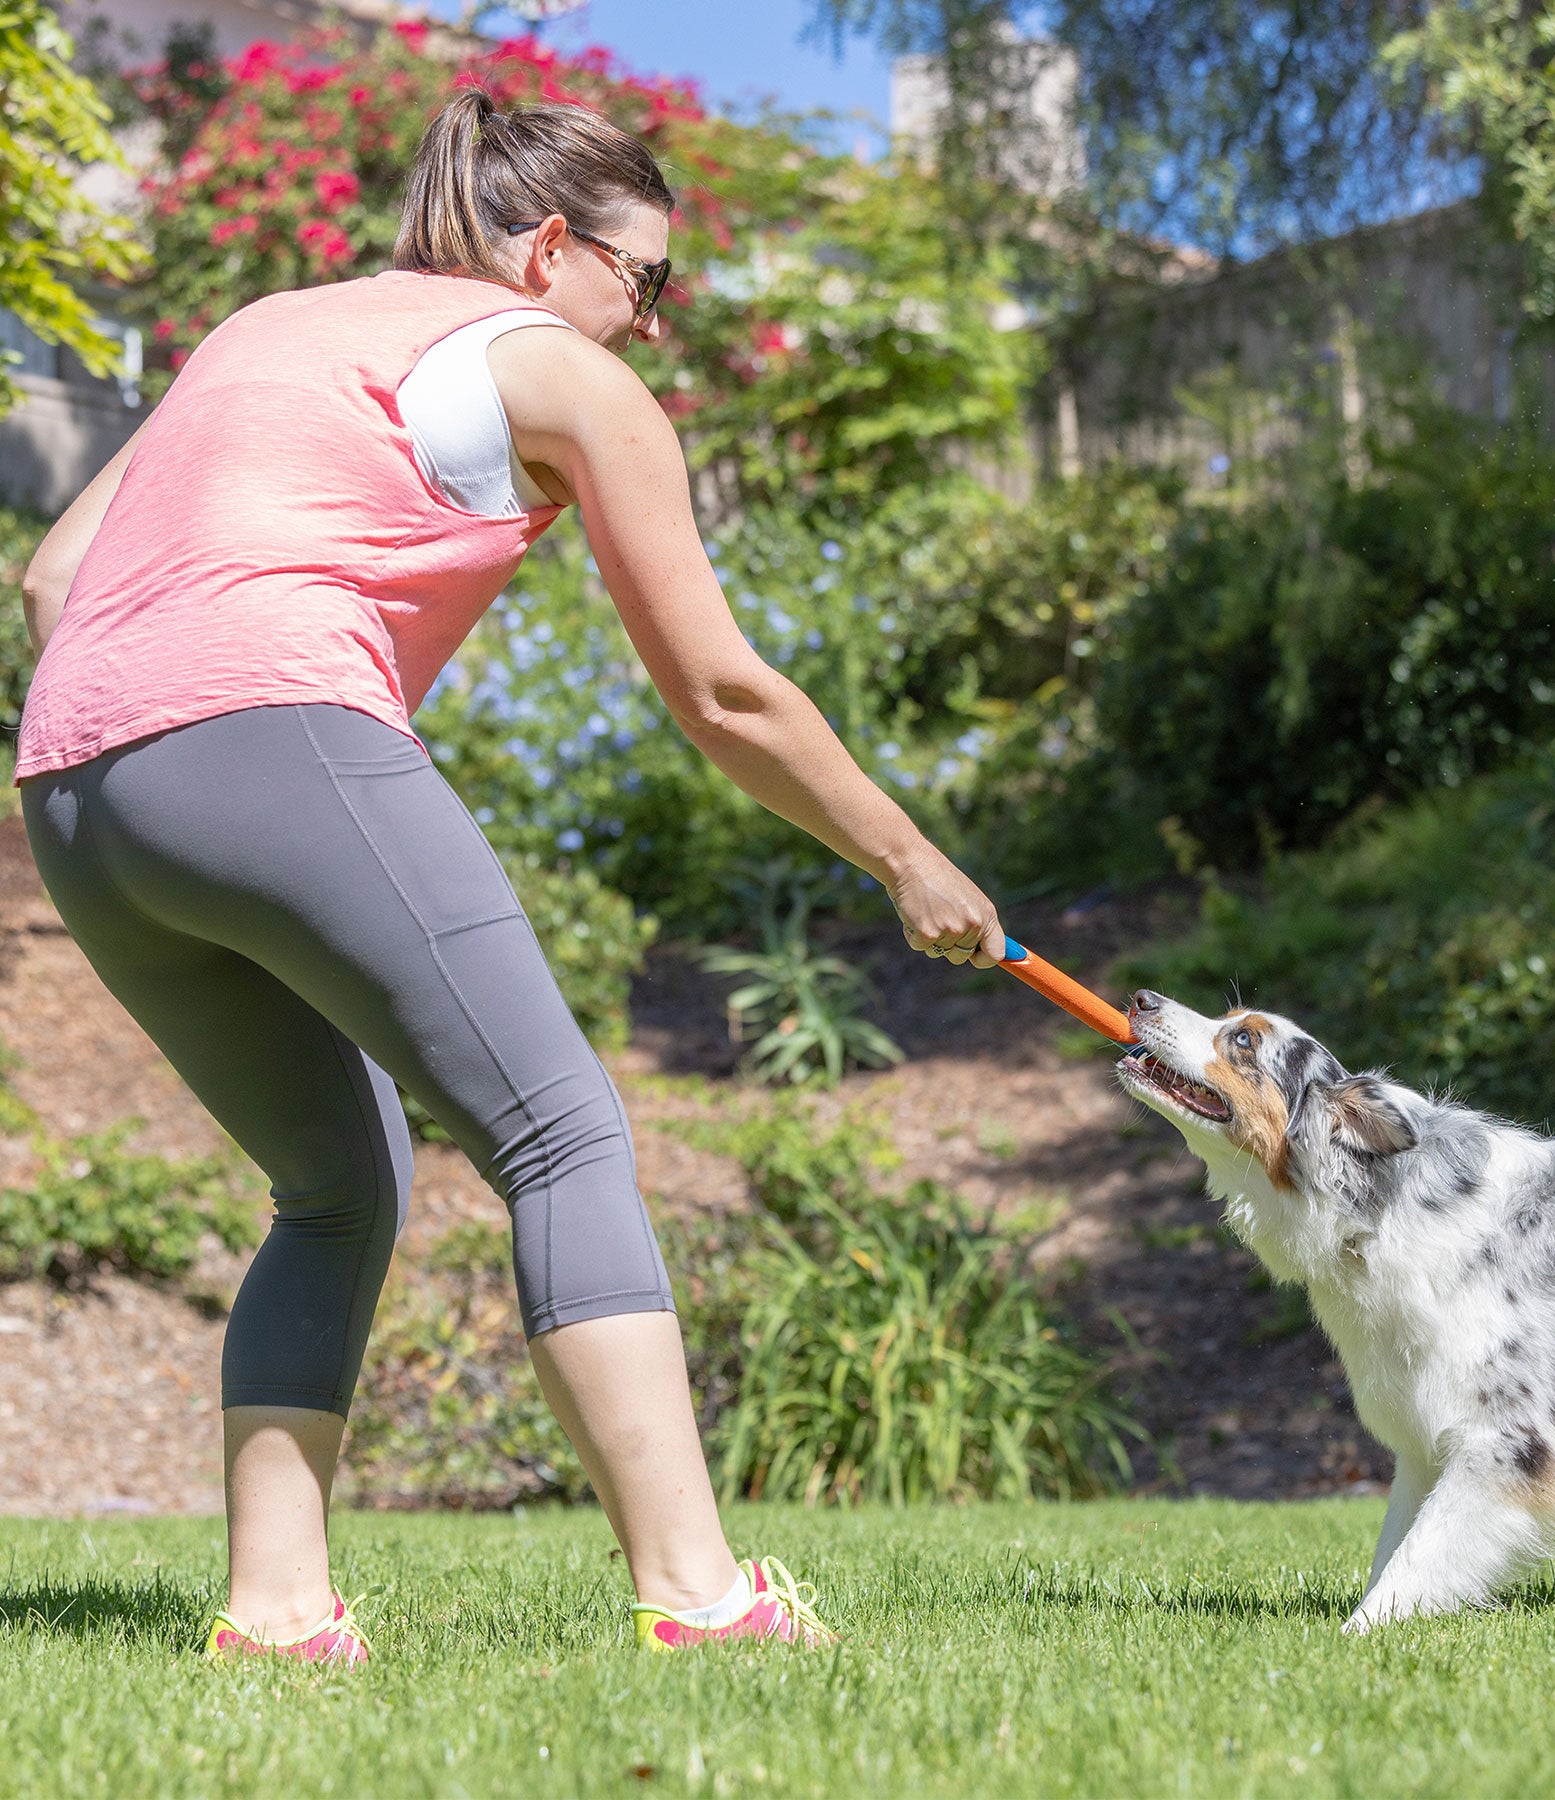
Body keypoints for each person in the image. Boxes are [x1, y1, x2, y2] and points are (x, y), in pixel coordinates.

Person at [17, 87, 1006, 1661]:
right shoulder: (553, 365)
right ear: (552, 246)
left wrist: (155, 728)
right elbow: (722, 692)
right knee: (560, 1132)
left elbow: (54, 572)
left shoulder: (268, 324)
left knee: (340, 1185)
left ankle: (276, 1616)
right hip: (273, 728)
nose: (654, 326)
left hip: (72, 783)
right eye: (648, 281)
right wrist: (907, 857)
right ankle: (698, 1598)